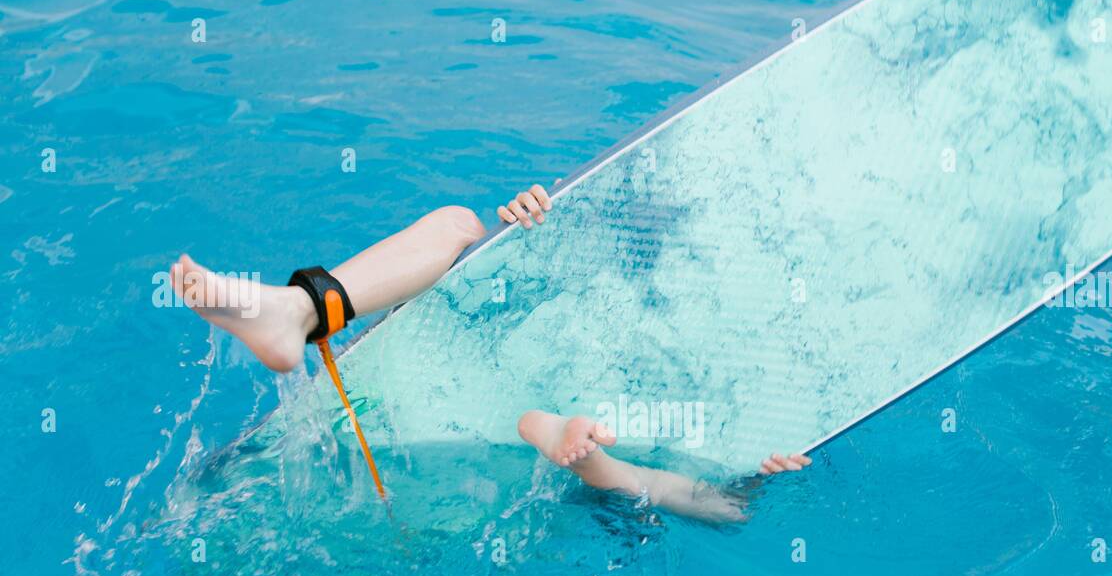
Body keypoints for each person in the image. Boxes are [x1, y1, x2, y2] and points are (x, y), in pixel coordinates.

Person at [173, 183, 810, 521]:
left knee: (712, 501)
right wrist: (518, 230)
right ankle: (300, 310)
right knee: (461, 223)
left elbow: (726, 508)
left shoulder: (649, 358)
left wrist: (759, 475)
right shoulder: (614, 319)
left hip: (505, 435)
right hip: (503, 425)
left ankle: (577, 453)